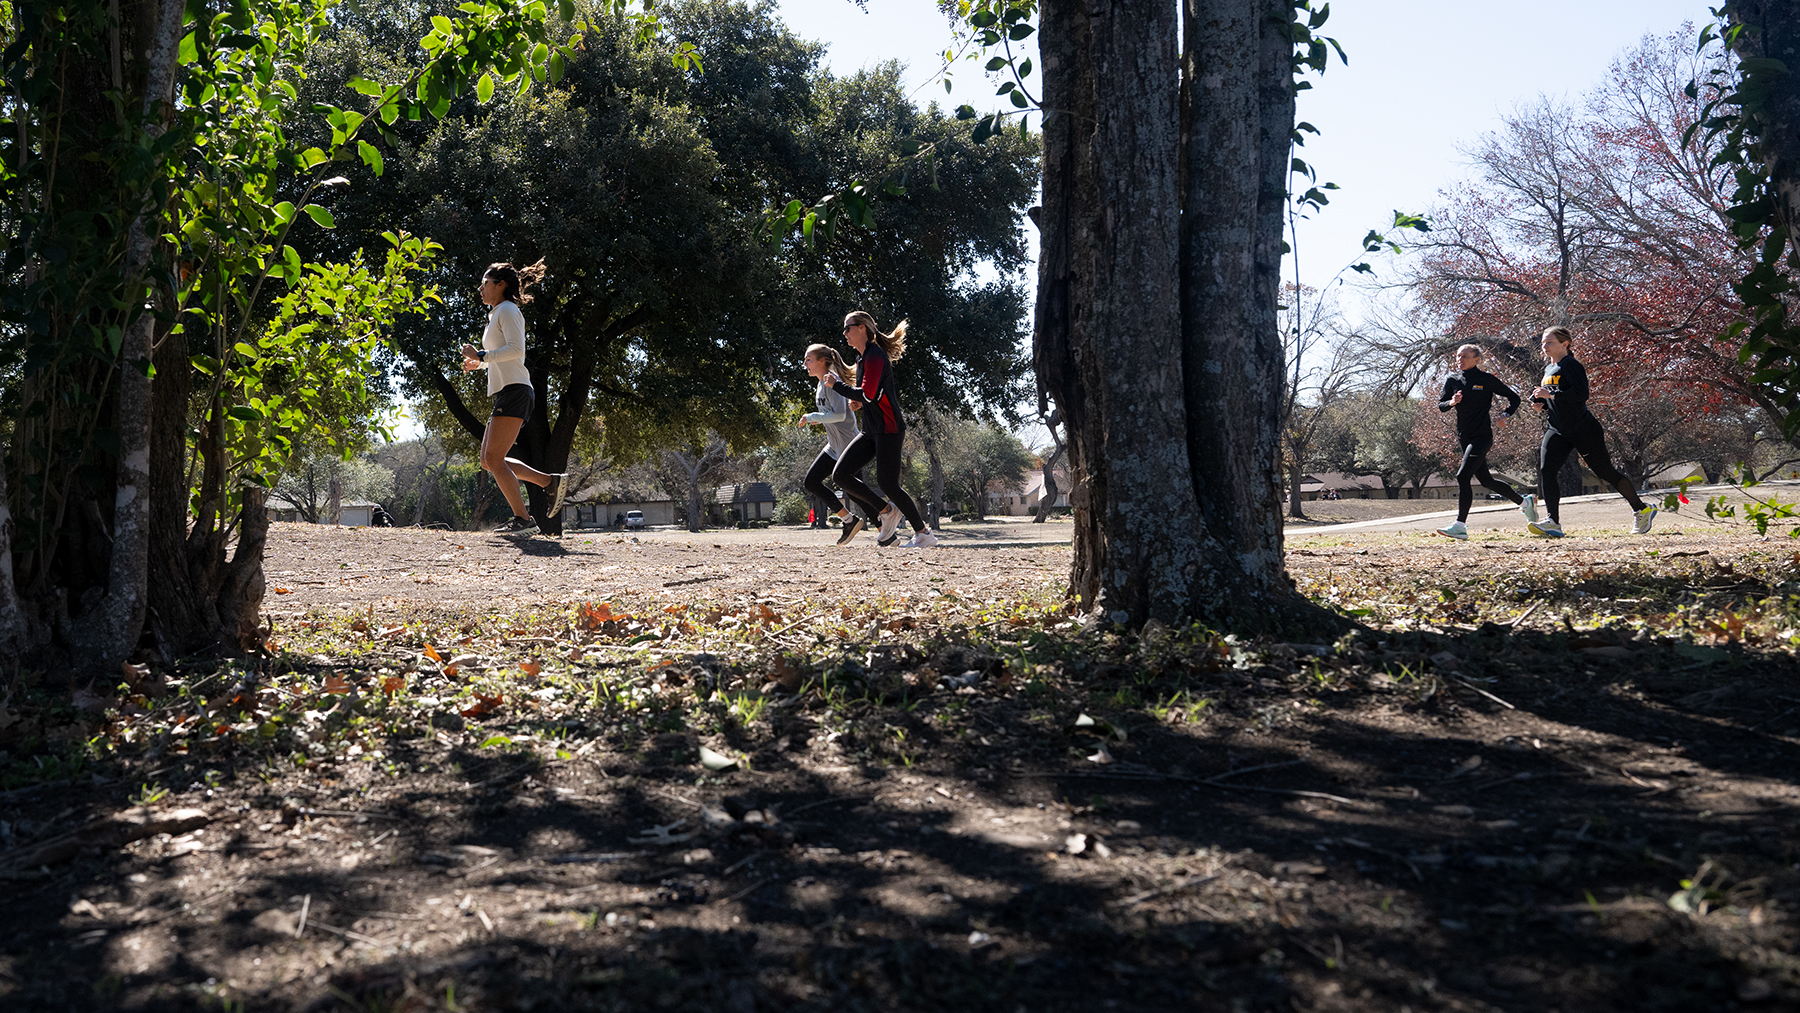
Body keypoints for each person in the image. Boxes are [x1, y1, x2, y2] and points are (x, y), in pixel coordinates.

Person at [459, 261, 559, 538]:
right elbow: (499, 357)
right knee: (489, 461)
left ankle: (523, 518)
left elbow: (516, 351)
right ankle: (548, 482)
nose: (480, 289)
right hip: (508, 390)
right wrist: (478, 364)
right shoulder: (496, 314)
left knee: (494, 458)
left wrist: (482, 356)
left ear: (500, 284)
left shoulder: (508, 310)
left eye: (485, 283)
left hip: (516, 390)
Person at [1526, 326, 1657, 537]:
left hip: (1582, 428)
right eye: (1543, 342)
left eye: (1549, 342)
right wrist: (1540, 403)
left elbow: (1581, 393)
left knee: (1605, 472)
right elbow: (1554, 396)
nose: (1544, 346)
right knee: (1546, 470)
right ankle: (1552, 521)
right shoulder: (1548, 369)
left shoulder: (1571, 365)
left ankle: (1641, 509)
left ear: (1565, 344)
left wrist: (1550, 395)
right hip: (1557, 428)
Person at [828, 311, 935, 548]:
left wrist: (838, 386)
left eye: (848, 328)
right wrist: (857, 402)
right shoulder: (862, 359)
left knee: (889, 484)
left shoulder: (875, 357)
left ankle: (923, 534)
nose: (844, 333)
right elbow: (869, 396)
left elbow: (868, 394)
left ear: (863, 328)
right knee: (841, 475)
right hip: (871, 431)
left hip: (889, 428)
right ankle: (886, 511)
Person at [1433, 344, 1537, 540]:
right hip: (1464, 437)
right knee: (1486, 481)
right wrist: (1452, 402)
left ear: (1476, 359)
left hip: (1482, 436)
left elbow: (1514, 398)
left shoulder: (1486, 379)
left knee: (1463, 476)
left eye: (1465, 356)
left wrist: (1505, 415)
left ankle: (1460, 526)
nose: (1460, 359)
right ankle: (1525, 503)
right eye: (1458, 356)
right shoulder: (1452, 380)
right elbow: (1441, 406)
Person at [798, 343, 873, 545]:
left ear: (822, 361)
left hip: (849, 445)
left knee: (857, 493)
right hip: (834, 447)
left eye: (808, 359)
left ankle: (886, 527)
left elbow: (839, 415)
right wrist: (818, 418)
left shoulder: (832, 382)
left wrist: (812, 416)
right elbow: (832, 414)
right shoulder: (821, 384)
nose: (805, 363)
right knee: (811, 482)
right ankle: (849, 520)